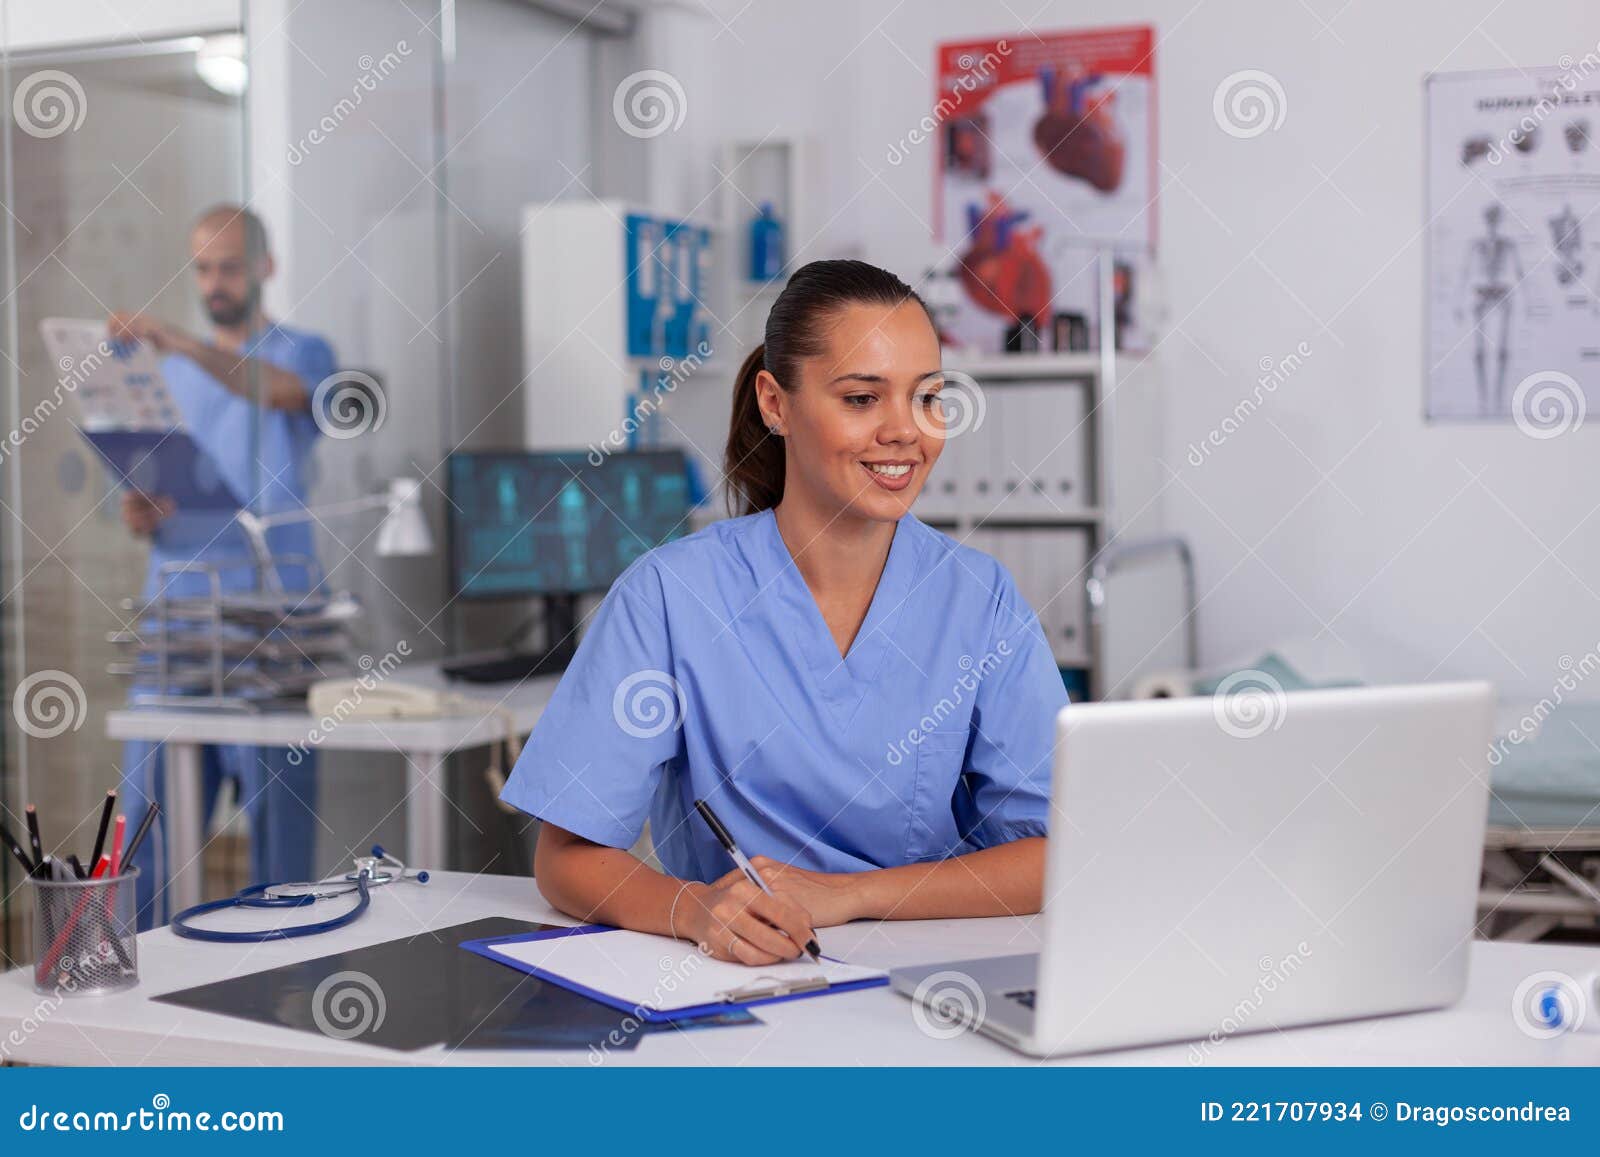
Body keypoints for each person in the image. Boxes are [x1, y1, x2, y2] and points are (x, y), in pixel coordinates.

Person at [500, 259, 1068, 966]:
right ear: (776, 403)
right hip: (738, 974)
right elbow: (566, 856)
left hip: (930, 982)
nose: (905, 431)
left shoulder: (979, 600)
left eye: (927, 396)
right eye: (863, 399)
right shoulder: (672, 596)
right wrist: (698, 908)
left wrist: (851, 892)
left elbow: (1053, 853)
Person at [111, 205, 336, 928]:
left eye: (229, 265)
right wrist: (143, 509)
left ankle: (278, 998)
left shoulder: (305, 355)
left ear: (265, 268)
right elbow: (155, 477)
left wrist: (177, 341)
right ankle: (133, 991)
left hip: (270, 623)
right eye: (202, 267)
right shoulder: (166, 376)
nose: (214, 282)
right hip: (177, 615)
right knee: (145, 816)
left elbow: (273, 391)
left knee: (276, 826)